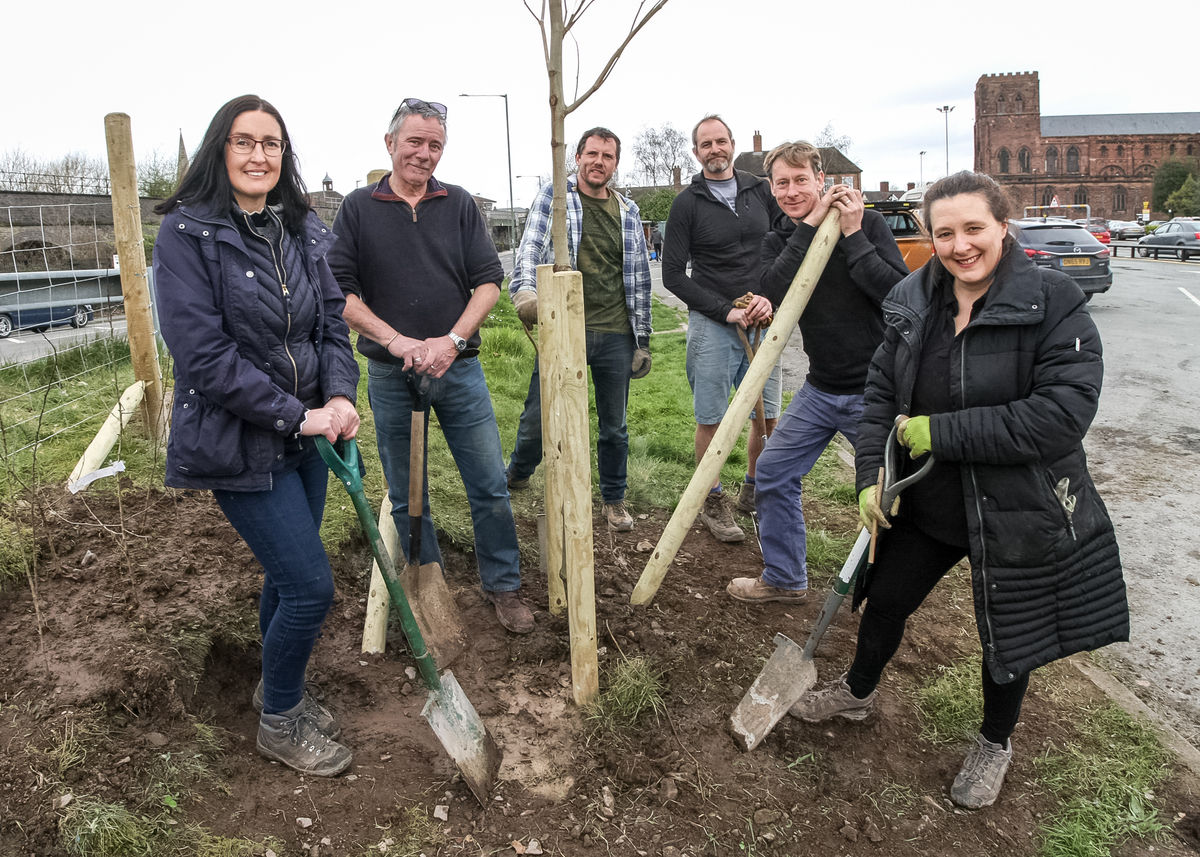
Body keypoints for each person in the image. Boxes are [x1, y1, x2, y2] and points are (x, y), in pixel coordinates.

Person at [790, 170, 1128, 809]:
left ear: (1005, 225)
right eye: (944, 232)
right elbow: (880, 397)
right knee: (885, 600)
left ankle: (995, 742)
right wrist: (871, 478)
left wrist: (938, 431)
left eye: (974, 228)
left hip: (1016, 505)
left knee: (1008, 632)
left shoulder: (1054, 301)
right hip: (928, 497)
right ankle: (858, 693)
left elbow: (1060, 416)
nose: (960, 245)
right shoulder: (915, 299)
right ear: (929, 235)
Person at [153, 95, 361, 777]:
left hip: (309, 433)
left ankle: (278, 688)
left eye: (271, 144)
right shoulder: (188, 235)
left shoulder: (299, 227)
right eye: (244, 142)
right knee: (310, 587)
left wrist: (336, 395)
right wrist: (296, 413)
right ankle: (279, 720)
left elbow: (331, 319)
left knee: (285, 572)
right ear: (220, 150)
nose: (258, 156)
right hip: (238, 439)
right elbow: (204, 356)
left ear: (284, 156)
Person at [327, 98, 533, 634]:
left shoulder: (459, 204)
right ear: (390, 143)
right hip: (393, 377)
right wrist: (396, 342)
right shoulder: (357, 208)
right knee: (407, 489)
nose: (424, 153)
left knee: (488, 482)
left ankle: (503, 584)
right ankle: (428, 587)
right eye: (414, 141)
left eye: (434, 145)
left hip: (458, 371)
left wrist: (452, 341)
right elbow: (339, 293)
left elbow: (489, 281)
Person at [726, 141, 907, 602]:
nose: (790, 191)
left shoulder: (867, 223)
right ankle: (785, 579)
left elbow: (898, 295)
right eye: (781, 183)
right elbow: (771, 287)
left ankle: (889, 595)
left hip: (875, 389)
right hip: (821, 388)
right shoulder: (780, 237)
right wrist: (807, 227)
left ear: (820, 180)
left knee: (893, 497)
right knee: (772, 471)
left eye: (800, 180)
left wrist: (851, 234)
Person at [506, 128, 653, 533]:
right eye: (592, 153)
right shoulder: (555, 199)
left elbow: (639, 275)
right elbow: (531, 247)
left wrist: (642, 339)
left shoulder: (627, 210)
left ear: (615, 164)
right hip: (564, 329)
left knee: (614, 425)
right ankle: (518, 471)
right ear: (577, 156)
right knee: (540, 413)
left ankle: (614, 499)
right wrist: (524, 294)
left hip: (615, 333)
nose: (599, 161)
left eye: (607, 156)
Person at [662, 115, 783, 543]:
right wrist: (722, 311)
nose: (715, 149)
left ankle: (754, 487)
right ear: (696, 153)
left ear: (732, 145)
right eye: (705, 144)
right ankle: (711, 498)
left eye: (720, 141)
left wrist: (770, 297)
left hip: (764, 319)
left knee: (767, 415)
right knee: (711, 417)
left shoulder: (760, 190)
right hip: (715, 323)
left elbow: (784, 246)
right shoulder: (687, 203)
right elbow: (673, 275)